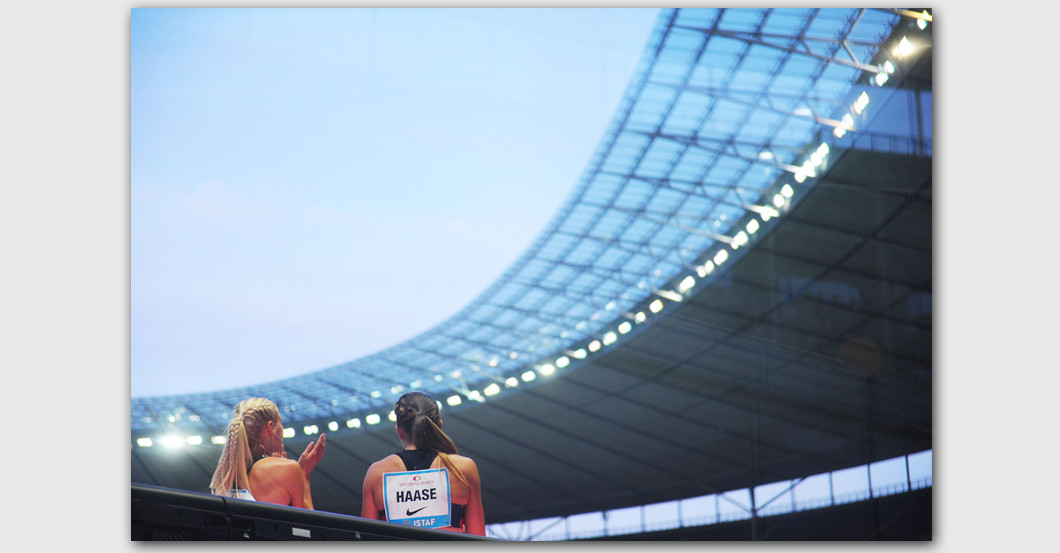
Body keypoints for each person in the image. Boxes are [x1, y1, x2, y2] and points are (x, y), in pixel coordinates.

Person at [360, 392, 485, 535]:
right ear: (439, 426)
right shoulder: (462, 468)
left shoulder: (377, 473)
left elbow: (367, 541)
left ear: (399, 431)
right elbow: (478, 537)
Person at [209, 397, 326, 509]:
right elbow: (306, 525)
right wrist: (304, 473)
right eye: (280, 422)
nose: (282, 428)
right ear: (271, 427)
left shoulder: (226, 476)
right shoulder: (287, 468)